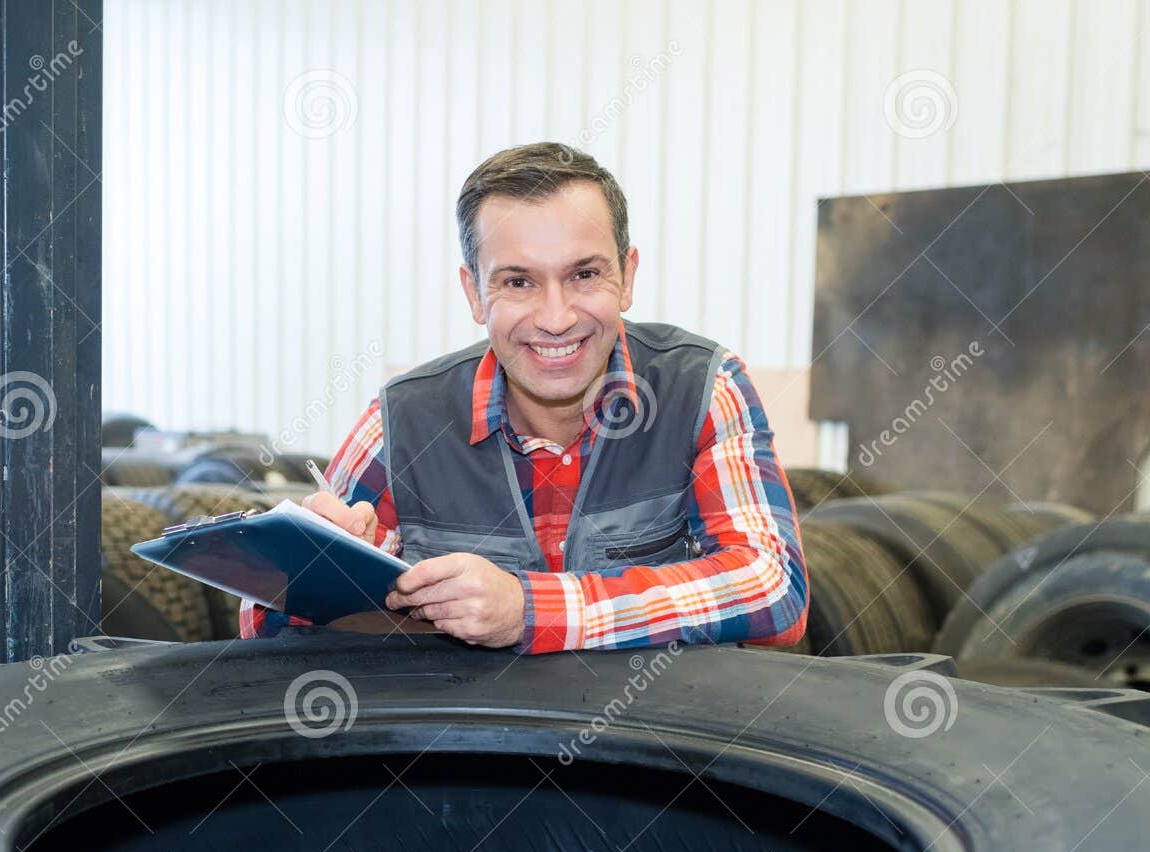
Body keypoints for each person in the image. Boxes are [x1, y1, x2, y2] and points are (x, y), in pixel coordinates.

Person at [242, 142, 808, 654]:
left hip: (663, 755)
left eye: (584, 274)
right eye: (518, 282)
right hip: (472, 758)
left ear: (628, 276)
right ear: (474, 293)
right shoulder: (403, 419)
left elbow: (774, 587)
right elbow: (262, 625)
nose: (557, 319)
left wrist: (531, 610)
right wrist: (317, 569)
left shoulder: (704, 388)